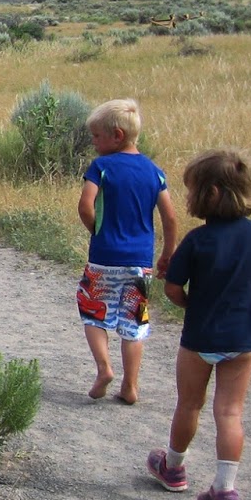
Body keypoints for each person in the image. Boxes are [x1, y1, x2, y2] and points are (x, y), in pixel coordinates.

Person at [147, 150, 251, 500]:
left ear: (211, 193)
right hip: (243, 340)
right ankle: (224, 490)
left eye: (192, 190)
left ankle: (173, 468)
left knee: (189, 404)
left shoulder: (197, 240)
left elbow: (172, 289)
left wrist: (190, 302)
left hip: (200, 337)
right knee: (230, 412)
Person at [76, 99, 178, 405]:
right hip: (139, 262)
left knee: (94, 311)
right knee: (134, 321)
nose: (93, 143)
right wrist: (167, 254)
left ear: (116, 136)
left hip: (104, 258)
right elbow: (170, 218)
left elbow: (85, 206)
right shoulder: (154, 172)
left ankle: (104, 369)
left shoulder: (101, 167)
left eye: (97, 136)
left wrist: (97, 230)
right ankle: (130, 386)